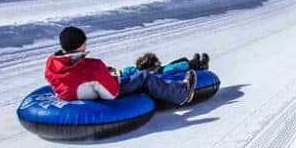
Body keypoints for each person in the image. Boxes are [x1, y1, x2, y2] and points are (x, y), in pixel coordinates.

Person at [45, 26, 195, 104]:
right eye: (85, 43)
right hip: (97, 96)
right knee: (144, 76)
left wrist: (103, 74)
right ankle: (182, 93)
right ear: (80, 46)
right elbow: (111, 93)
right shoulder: (93, 66)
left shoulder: (51, 63)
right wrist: (109, 77)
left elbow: (75, 77)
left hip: (71, 95)